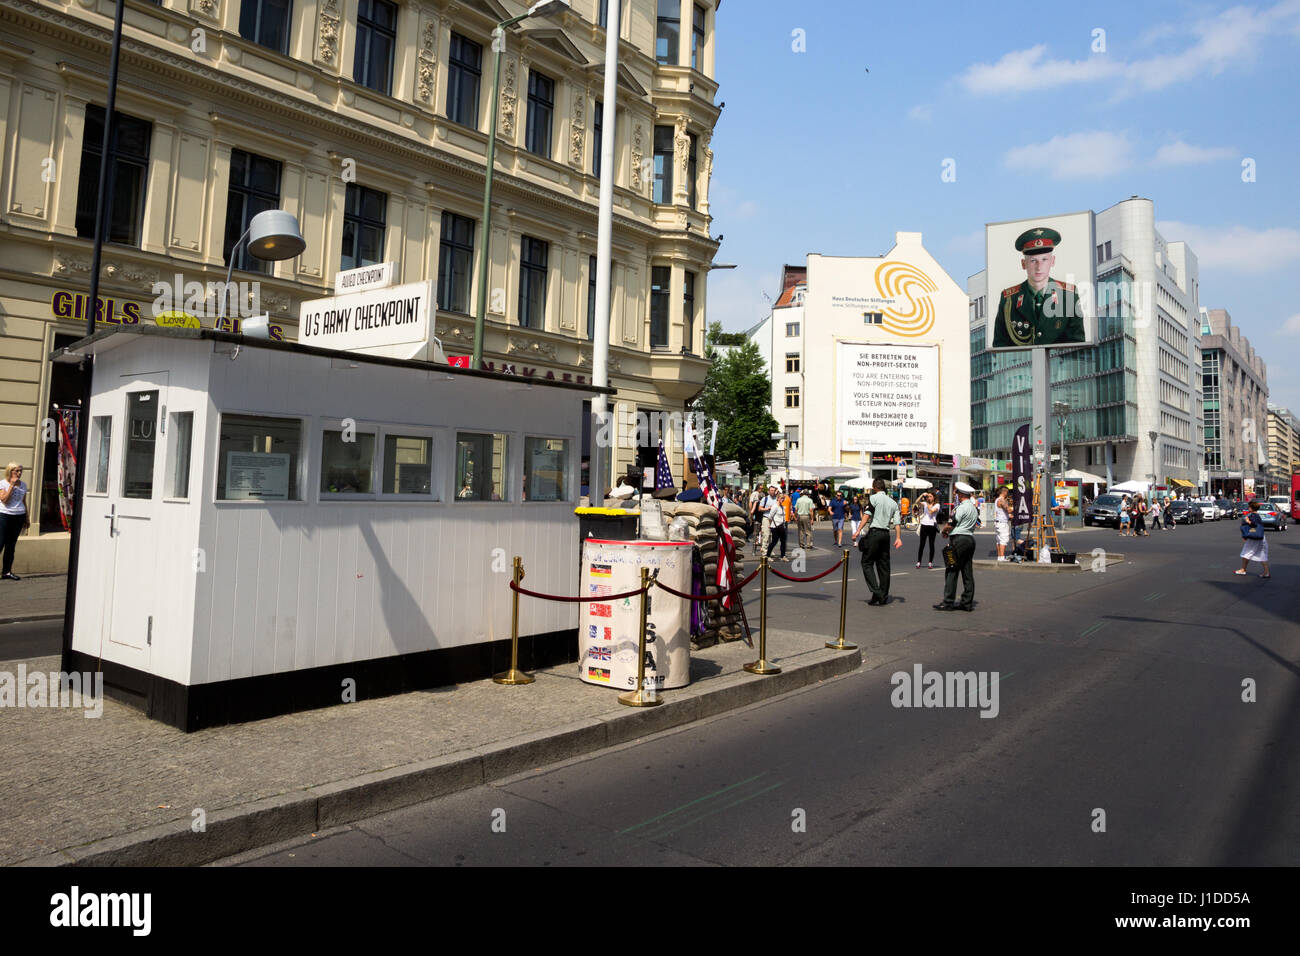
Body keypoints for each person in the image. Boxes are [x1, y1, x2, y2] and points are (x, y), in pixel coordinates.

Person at [992, 227, 1086, 348]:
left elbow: (1077, 345)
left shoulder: (1068, 295)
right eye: (1033, 261)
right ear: (1023, 264)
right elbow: (1000, 346)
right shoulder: (1009, 298)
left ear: (1052, 261)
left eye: (1044, 260)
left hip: (1058, 366)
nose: (1039, 267)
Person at [854, 478, 902, 606]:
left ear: (874, 487)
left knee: (866, 562)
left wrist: (858, 531)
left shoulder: (874, 498)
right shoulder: (893, 503)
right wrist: (898, 538)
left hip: (875, 533)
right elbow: (897, 523)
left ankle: (877, 592)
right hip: (886, 535)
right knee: (884, 566)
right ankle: (881, 596)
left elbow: (866, 515)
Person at [935, 482, 978, 611]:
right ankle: (967, 602)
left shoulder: (961, 508)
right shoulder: (973, 508)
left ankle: (948, 602)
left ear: (960, 494)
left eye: (957, 493)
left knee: (951, 569)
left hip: (959, 540)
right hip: (970, 539)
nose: (956, 495)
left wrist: (944, 531)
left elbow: (952, 523)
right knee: (967, 571)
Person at [0, 463, 29, 581]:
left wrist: (27, 517)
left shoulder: (23, 485)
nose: (19, 473)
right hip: (4, 515)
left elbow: (24, 501)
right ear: (10, 471)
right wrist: (11, 485)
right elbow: (4, 500)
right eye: (16, 471)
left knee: (11, 546)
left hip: (19, 516)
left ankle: (6, 572)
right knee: (0, 543)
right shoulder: (3, 483)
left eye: (21, 471)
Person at [1237, 501, 1270, 578]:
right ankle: (1266, 572)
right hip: (1260, 537)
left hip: (1254, 538)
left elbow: (1253, 524)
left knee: (1246, 552)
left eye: (1249, 507)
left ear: (1252, 508)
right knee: (1262, 554)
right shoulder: (1257, 515)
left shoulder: (1253, 515)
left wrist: (1248, 521)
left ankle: (1243, 569)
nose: (1248, 508)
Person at [916, 492, 940, 569]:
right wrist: (922, 495)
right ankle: (919, 562)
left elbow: (931, 512)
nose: (928, 498)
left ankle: (930, 562)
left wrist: (929, 506)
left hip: (932, 526)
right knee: (921, 544)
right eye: (928, 496)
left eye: (930, 496)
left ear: (934, 498)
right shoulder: (925, 503)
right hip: (924, 525)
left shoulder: (937, 505)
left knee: (931, 544)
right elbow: (916, 502)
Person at [766, 486, 789, 562]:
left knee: (783, 541)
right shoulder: (775, 506)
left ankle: (783, 556)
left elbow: (782, 517)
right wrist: (770, 525)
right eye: (782, 498)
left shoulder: (782, 507)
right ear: (778, 498)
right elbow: (770, 516)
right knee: (774, 541)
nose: (783, 500)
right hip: (775, 527)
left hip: (781, 526)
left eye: (783, 498)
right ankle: (767, 555)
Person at [994, 486, 1013, 561]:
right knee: (1004, 539)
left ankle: (999, 556)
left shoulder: (997, 500)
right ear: (1004, 492)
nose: (1007, 494)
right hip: (1002, 523)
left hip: (998, 522)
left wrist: (1008, 516)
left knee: (999, 540)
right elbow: (1008, 510)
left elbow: (1003, 512)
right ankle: (1002, 557)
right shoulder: (1002, 500)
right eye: (1007, 492)